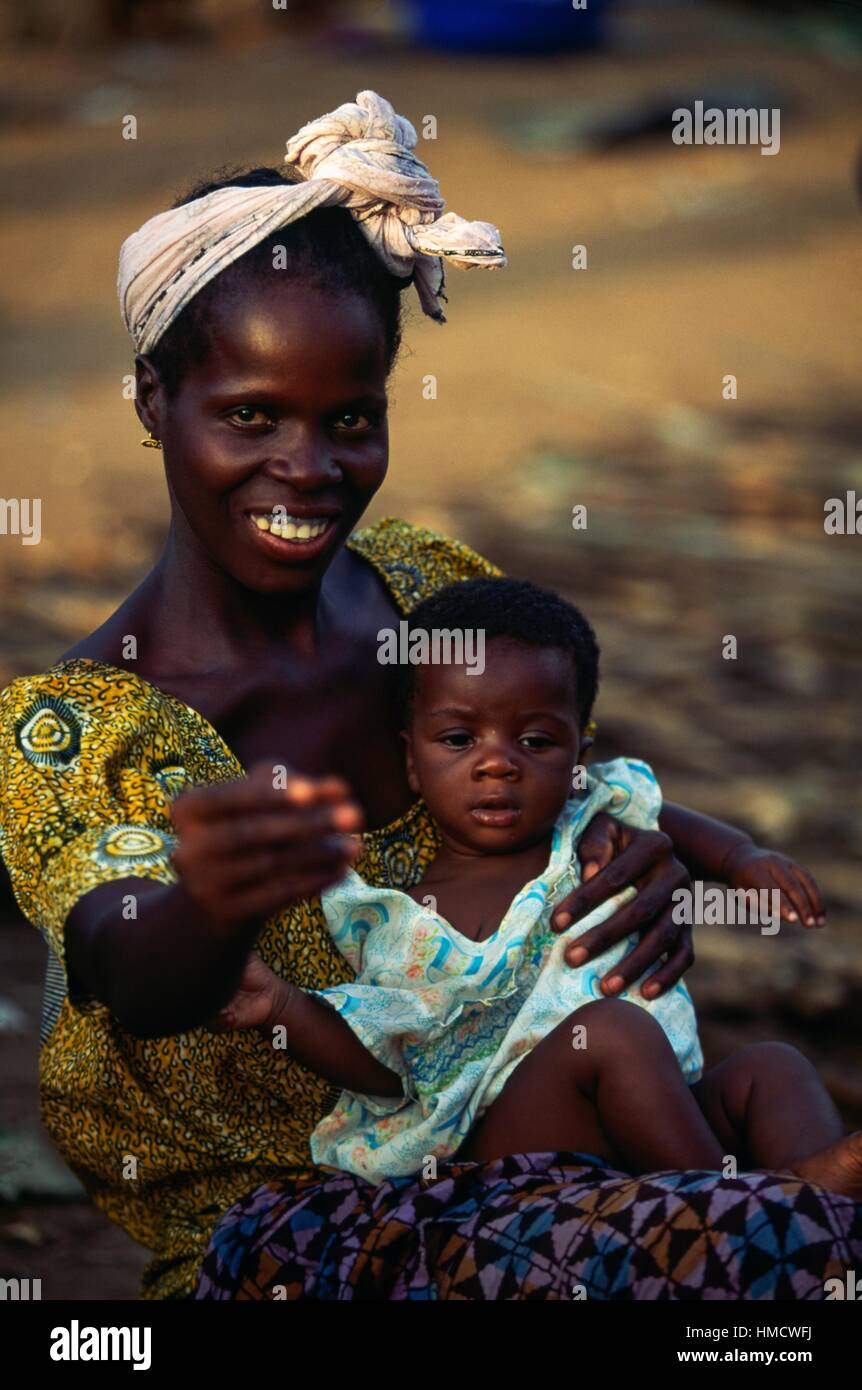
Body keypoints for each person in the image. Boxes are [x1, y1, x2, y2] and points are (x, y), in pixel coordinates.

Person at [0, 90, 856, 1302]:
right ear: (153, 399)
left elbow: (564, 774)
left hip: (549, 1127)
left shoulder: (427, 594)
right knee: (779, 1256)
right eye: (251, 415)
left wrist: (641, 861)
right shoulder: (82, 723)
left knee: (767, 1215)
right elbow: (124, 963)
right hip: (297, 1230)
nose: (308, 466)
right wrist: (207, 902)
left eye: (351, 419)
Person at [209, 577, 860, 1199]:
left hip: (652, 1118)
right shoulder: (407, 919)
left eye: (536, 740)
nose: (497, 762)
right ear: (412, 760)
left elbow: (666, 820)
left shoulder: (593, 818)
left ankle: (817, 1202)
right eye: (459, 739)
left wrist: (743, 857)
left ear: (579, 756)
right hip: (503, 1148)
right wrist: (284, 1008)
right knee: (611, 1033)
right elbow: (385, 1060)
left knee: (771, 1067)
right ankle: (742, 1213)